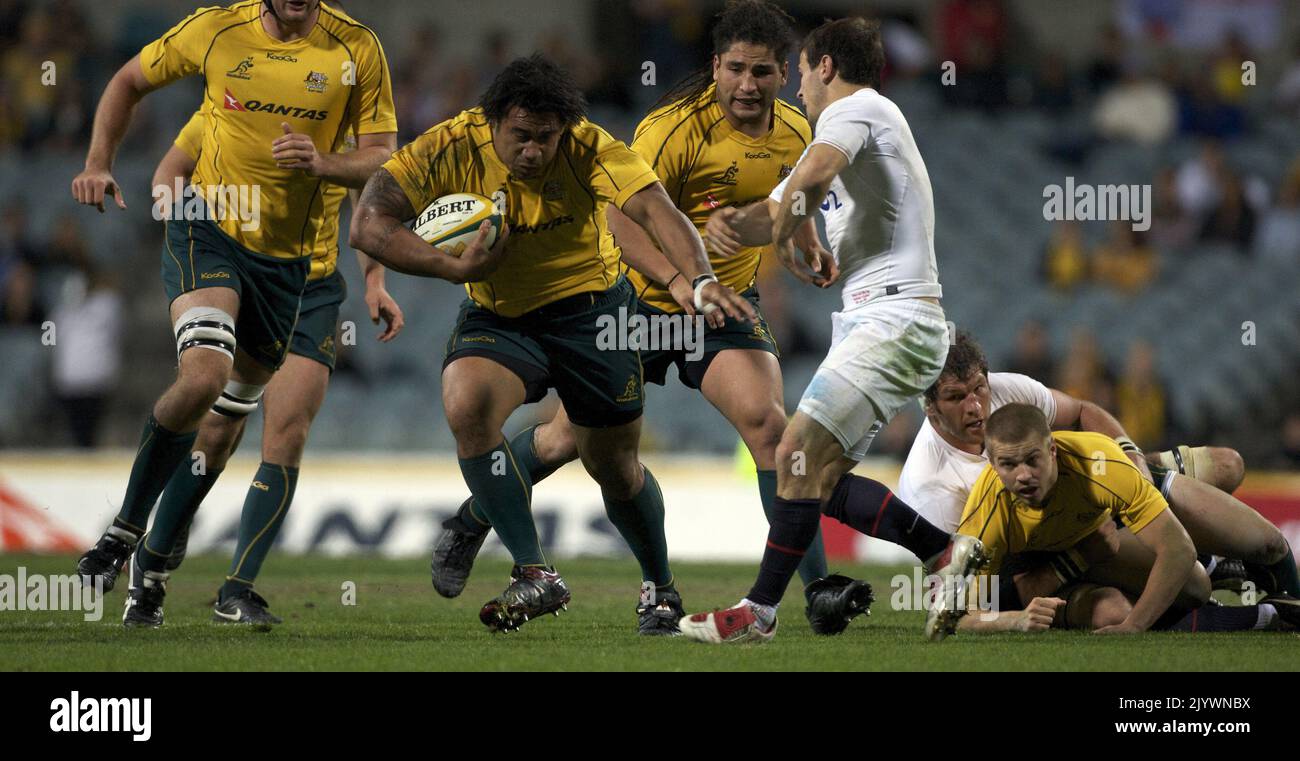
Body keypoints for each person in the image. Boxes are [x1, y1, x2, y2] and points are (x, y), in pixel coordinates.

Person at [428, 0, 874, 636]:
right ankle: (475, 519)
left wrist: (804, 245)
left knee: (772, 431)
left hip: (721, 307)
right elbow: (618, 218)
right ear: (715, 66)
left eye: (765, 72)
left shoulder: (798, 134)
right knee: (563, 443)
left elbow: (788, 207)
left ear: (783, 74)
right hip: (631, 305)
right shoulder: (669, 129)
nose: (749, 85)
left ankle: (816, 589)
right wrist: (675, 280)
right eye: (737, 69)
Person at [349, 53, 755, 632]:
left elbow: (659, 212)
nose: (535, 150)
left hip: (592, 315)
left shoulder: (592, 148)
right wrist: (449, 267)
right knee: (467, 402)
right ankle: (534, 571)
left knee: (611, 465)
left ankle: (659, 588)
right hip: (501, 314)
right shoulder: (448, 145)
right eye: (521, 136)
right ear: (491, 124)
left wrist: (701, 277)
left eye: (547, 137)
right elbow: (368, 224)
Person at [69, 0, 397, 628]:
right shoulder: (218, 39)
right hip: (211, 234)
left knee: (241, 430)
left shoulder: (358, 50)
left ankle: (173, 575)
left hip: (299, 272)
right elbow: (132, 90)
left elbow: (382, 160)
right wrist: (99, 165)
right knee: (203, 377)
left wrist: (368, 263)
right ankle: (123, 532)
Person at [677, 18, 952, 644]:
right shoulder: (848, 129)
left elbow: (809, 183)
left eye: (797, 71)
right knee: (814, 481)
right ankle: (944, 555)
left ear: (823, 66)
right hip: (883, 319)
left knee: (791, 456)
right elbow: (779, 209)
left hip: (894, 317)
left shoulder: (857, 110)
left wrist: (790, 232)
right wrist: (723, 226)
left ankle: (758, 614)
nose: (795, 88)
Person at [143, 107, 403, 627]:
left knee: (288, 432)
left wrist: (375, 281)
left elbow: (367, 207)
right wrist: (187, 228)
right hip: (242, 277)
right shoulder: (232, 103)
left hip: (312, 290)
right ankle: (151, 560)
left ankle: (237, 589)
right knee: (216, 429)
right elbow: (171, 170)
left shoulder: (348, 133)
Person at [898, 333, 1298, 637]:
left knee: (1231, 476)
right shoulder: (932, 487)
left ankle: (1234, 572)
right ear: (930, 409)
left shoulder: (1088, 455)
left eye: (978, 390)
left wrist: (1132, 459)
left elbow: (1084, 411)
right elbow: (964, 600)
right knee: (1149, 599)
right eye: (955, 397)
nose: (974, 406)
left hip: (1092, 495)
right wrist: (1025, 609)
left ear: (1052, 450)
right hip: (1038, 556)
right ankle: (1255, 607)